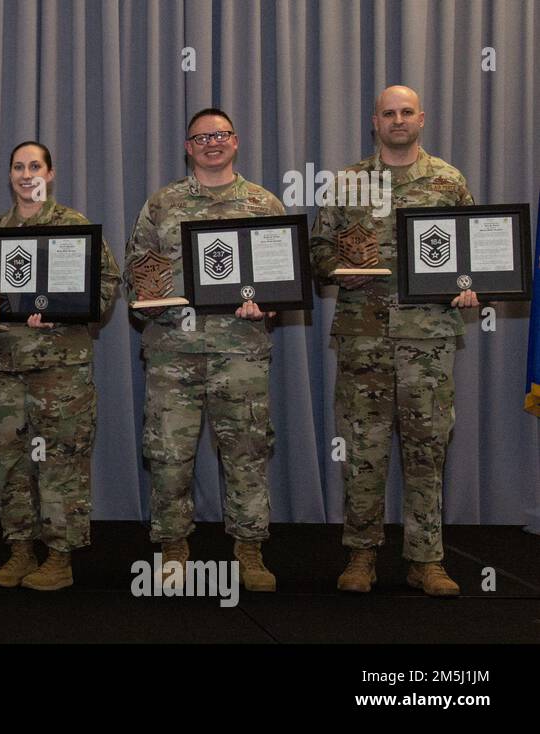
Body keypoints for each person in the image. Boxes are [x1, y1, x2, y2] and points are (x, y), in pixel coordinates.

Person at [310, 85, 477, 597]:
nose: (398, 120)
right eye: (389, 113)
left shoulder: (448, 180)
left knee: (428, 451)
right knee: (363, 451)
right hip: (364, 340)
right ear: (374, 122)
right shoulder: (347, 183)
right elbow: (317, 249)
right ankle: (361, 555)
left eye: (407, 112)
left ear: (421, 119)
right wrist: (339, 269)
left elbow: (474, 247)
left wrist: (472, 287)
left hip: (428, 341)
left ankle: (426, 560)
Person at [124, 108, 285, 593]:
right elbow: (136, 271)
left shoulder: (264, 204)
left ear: (235, 141)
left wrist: (270, 306)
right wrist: (150, 299)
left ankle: (249, 550)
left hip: (242, 352)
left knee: (248, 452)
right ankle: (173, 547)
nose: (212, 143)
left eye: (221, 135)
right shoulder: (162, 204)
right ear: (189, 147)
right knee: (169, 455)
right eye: (202, 137)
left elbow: (283, 273)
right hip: (174, 352)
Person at [0, 141, 120, 591]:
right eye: (18, 166)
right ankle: (19, 550)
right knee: (7, 463)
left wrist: (72, 310)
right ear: (9, 174)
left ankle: (60, 557)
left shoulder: (74, 228)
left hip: (60, 370)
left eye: (35, 166)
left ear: (49, 174)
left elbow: (107, 282)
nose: (26, 174)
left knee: (61, 463)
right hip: (3, 368)